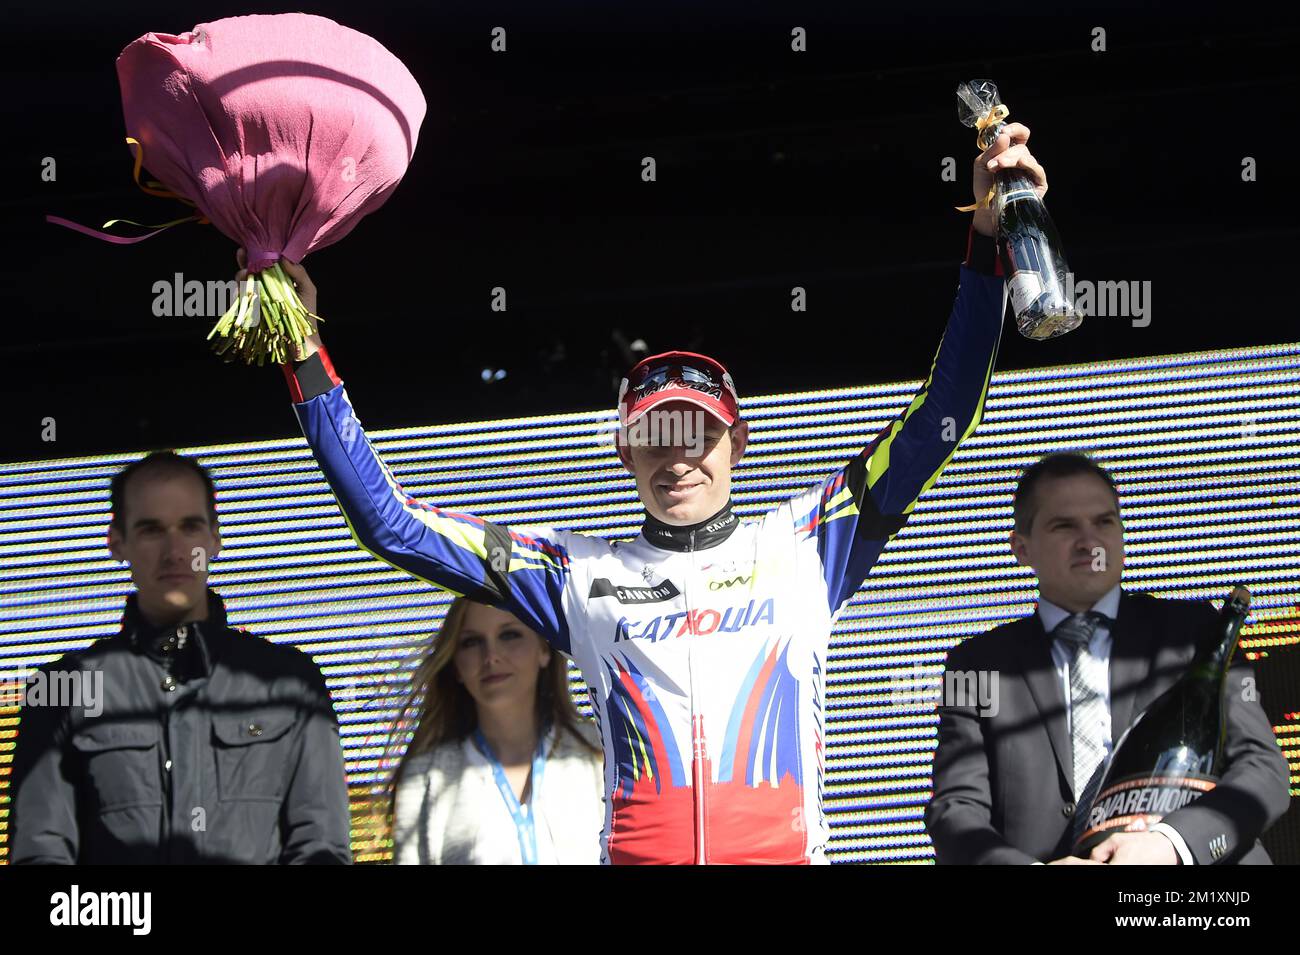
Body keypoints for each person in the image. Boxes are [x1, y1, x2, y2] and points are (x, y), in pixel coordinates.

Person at [243, 123, 1047, 863]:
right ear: (625, 453)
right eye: (654, 436)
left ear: (738, 442)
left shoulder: (809, 543)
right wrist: (305, 355)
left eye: (696, 432)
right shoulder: (576, 574)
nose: (677, 456)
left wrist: (983, 239)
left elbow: (945, 411)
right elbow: (389, 524)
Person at [925, 452, 1291, 865]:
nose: (1089, 541)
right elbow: (954, 808)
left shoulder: (1197, 632)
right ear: (1021, 548)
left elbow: (1264, 770)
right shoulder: (971, 664)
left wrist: (1171, 844)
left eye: (1104, 522)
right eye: (1064, 525)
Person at [9, 451, 352, 864]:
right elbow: (40, 853)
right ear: (116, 542)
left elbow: (321, 849)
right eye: (152, 530)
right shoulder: (61, 689)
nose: (174, 551)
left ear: (215, 539)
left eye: (190, 527)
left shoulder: (291, 682)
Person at [387, 598, 604, 864]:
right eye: (471, 642)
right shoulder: (426, 774)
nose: (491, 656)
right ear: (456, 664)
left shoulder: (601, 753)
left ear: (544, 649)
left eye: (509, 635)